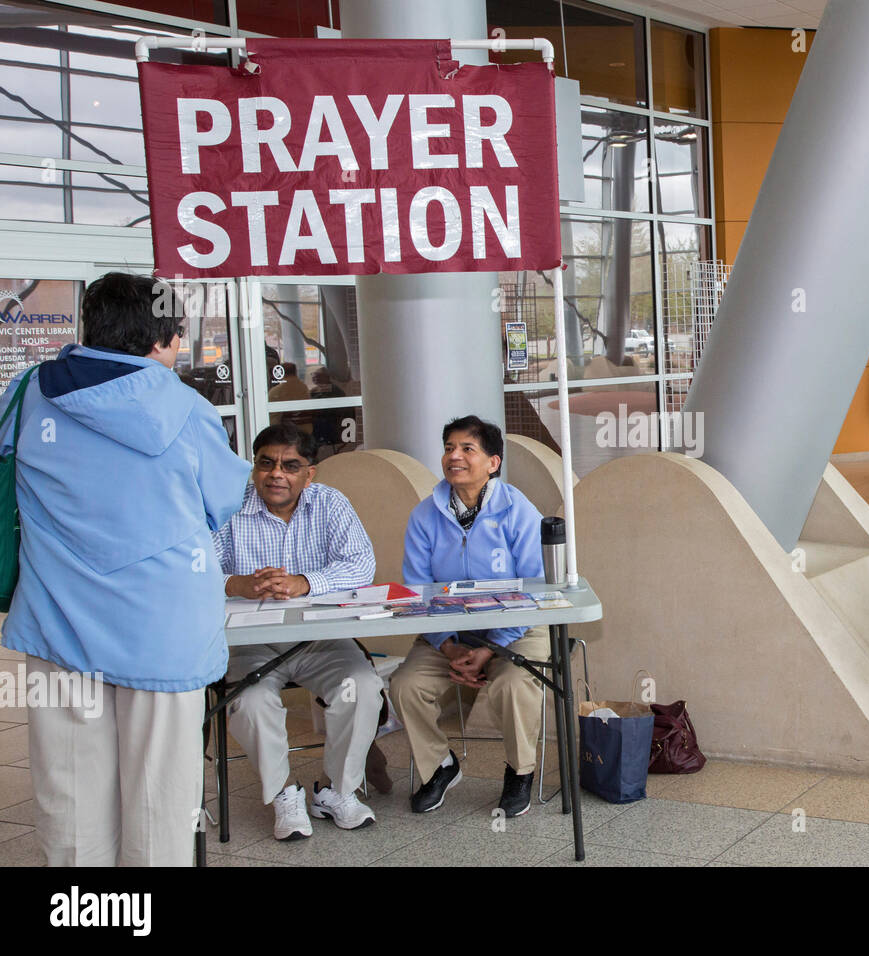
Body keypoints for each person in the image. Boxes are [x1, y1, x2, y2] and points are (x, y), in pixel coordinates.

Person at [0, 272, 250, 866]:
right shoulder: (187, 408)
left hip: (59, 622)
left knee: (70, 793)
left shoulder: (29, 392)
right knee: (160, 795)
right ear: (162, 338)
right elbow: (222, 503)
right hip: (164, 630)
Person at [214, 422, 382, 841]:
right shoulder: (228, 505)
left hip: (322, 640)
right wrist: (238, 584)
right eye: (266, 463)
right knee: (250, 702)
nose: (277, 474)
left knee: (361, 685)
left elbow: (362, 565)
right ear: (253, 468)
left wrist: (305, 582)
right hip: (250, 644)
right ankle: (283, 795)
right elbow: (195, 570)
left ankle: (336, 790)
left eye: (291, 465)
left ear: (310, 473)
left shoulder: (329, 503)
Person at [390, 415, 546, 817]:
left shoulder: (517, 509)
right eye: (448, 448)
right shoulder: (424, 515)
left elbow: (536, 585)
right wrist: (449, 647)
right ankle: (439, 765)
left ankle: (519, 771)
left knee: (513, 685)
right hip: (449, 632)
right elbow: (418, 591)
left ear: (493, 462)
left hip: (516, 627)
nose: (453, 456)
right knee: (406, 685)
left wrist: (492, 648)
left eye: (466, 449)